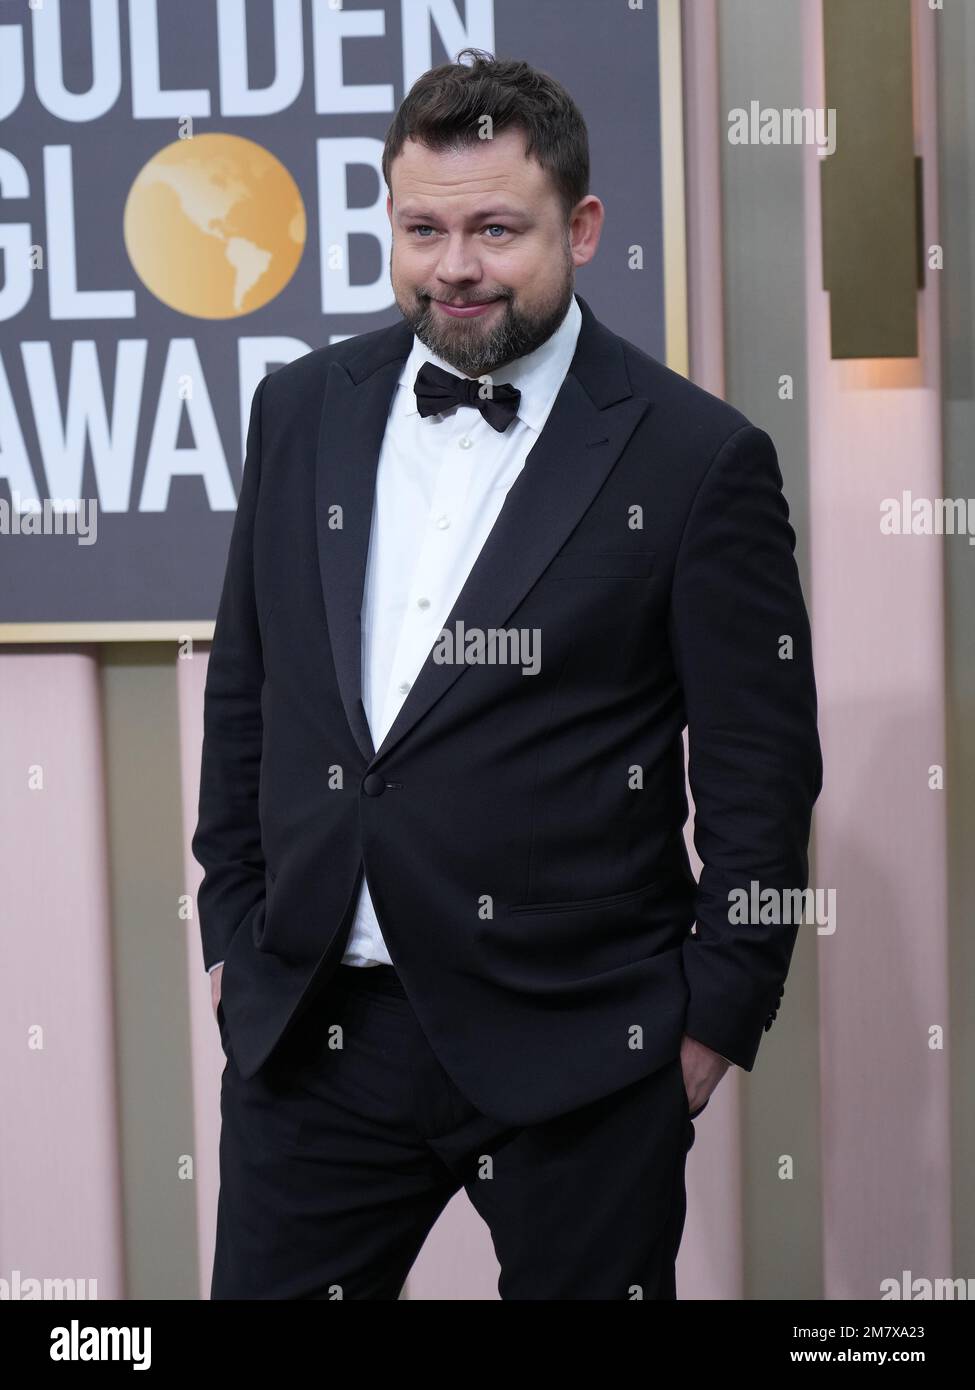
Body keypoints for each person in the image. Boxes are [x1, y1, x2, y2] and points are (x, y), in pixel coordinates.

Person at [193, 49, 823, 1301]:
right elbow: (251, 692)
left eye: (495, 229)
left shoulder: (696, 457)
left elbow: (760, 771)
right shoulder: (302, 410)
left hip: (582, 1044)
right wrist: (234, 932)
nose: (455, 266)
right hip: (318, 1029)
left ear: (579, 228)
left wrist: (714, 1018)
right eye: (422, 230)